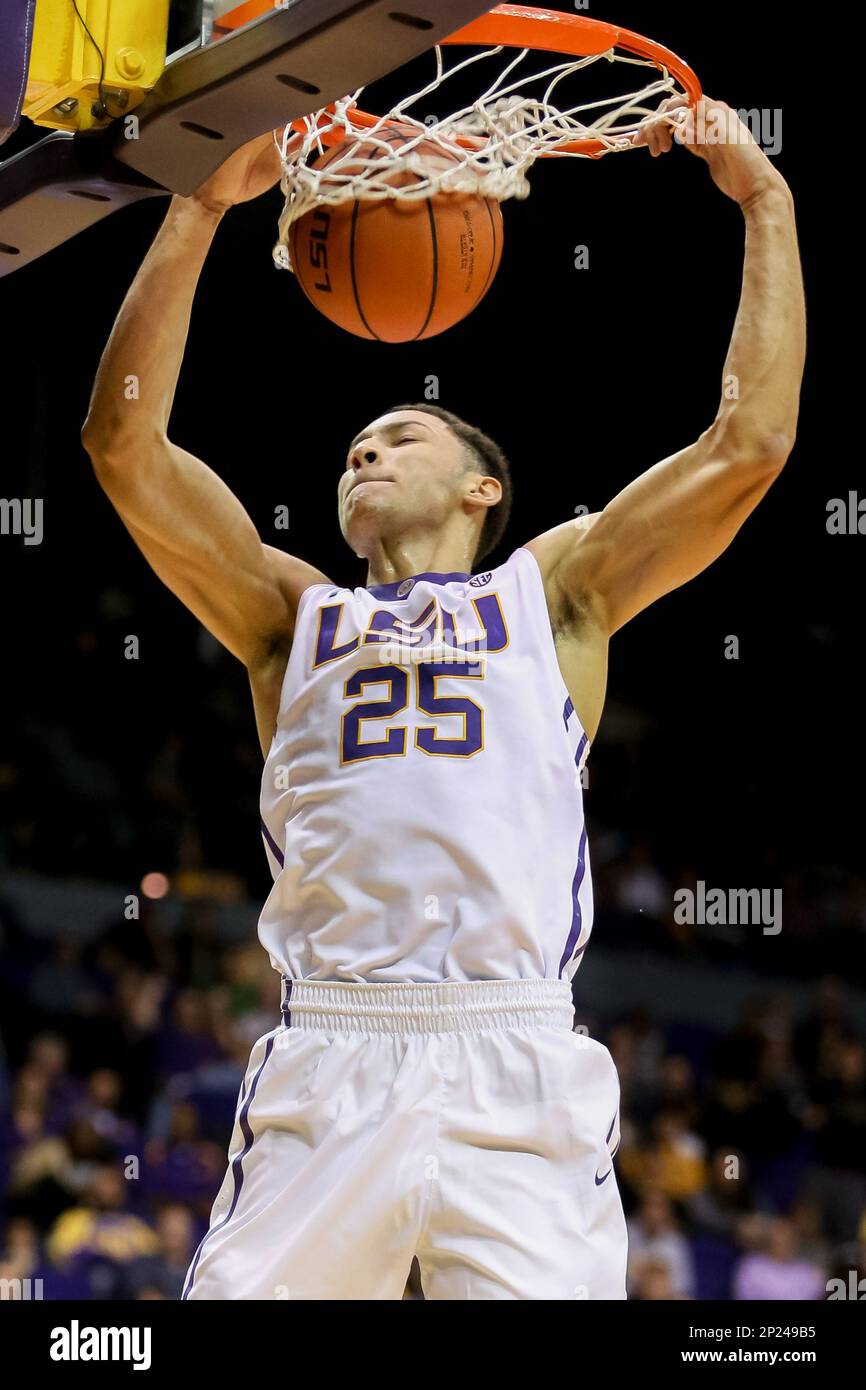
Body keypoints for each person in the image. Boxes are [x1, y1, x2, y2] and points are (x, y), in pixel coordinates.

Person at [81, 96, 805, 1299]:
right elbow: (123, 446)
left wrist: (765, 205)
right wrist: (199, 207)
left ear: (481, 490)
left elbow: (749, 446)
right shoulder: (286, 619)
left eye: (396, 436)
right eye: (353, 446)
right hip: (333, 1052)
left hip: (513, 1057)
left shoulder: (553, 595)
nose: (361, 452)